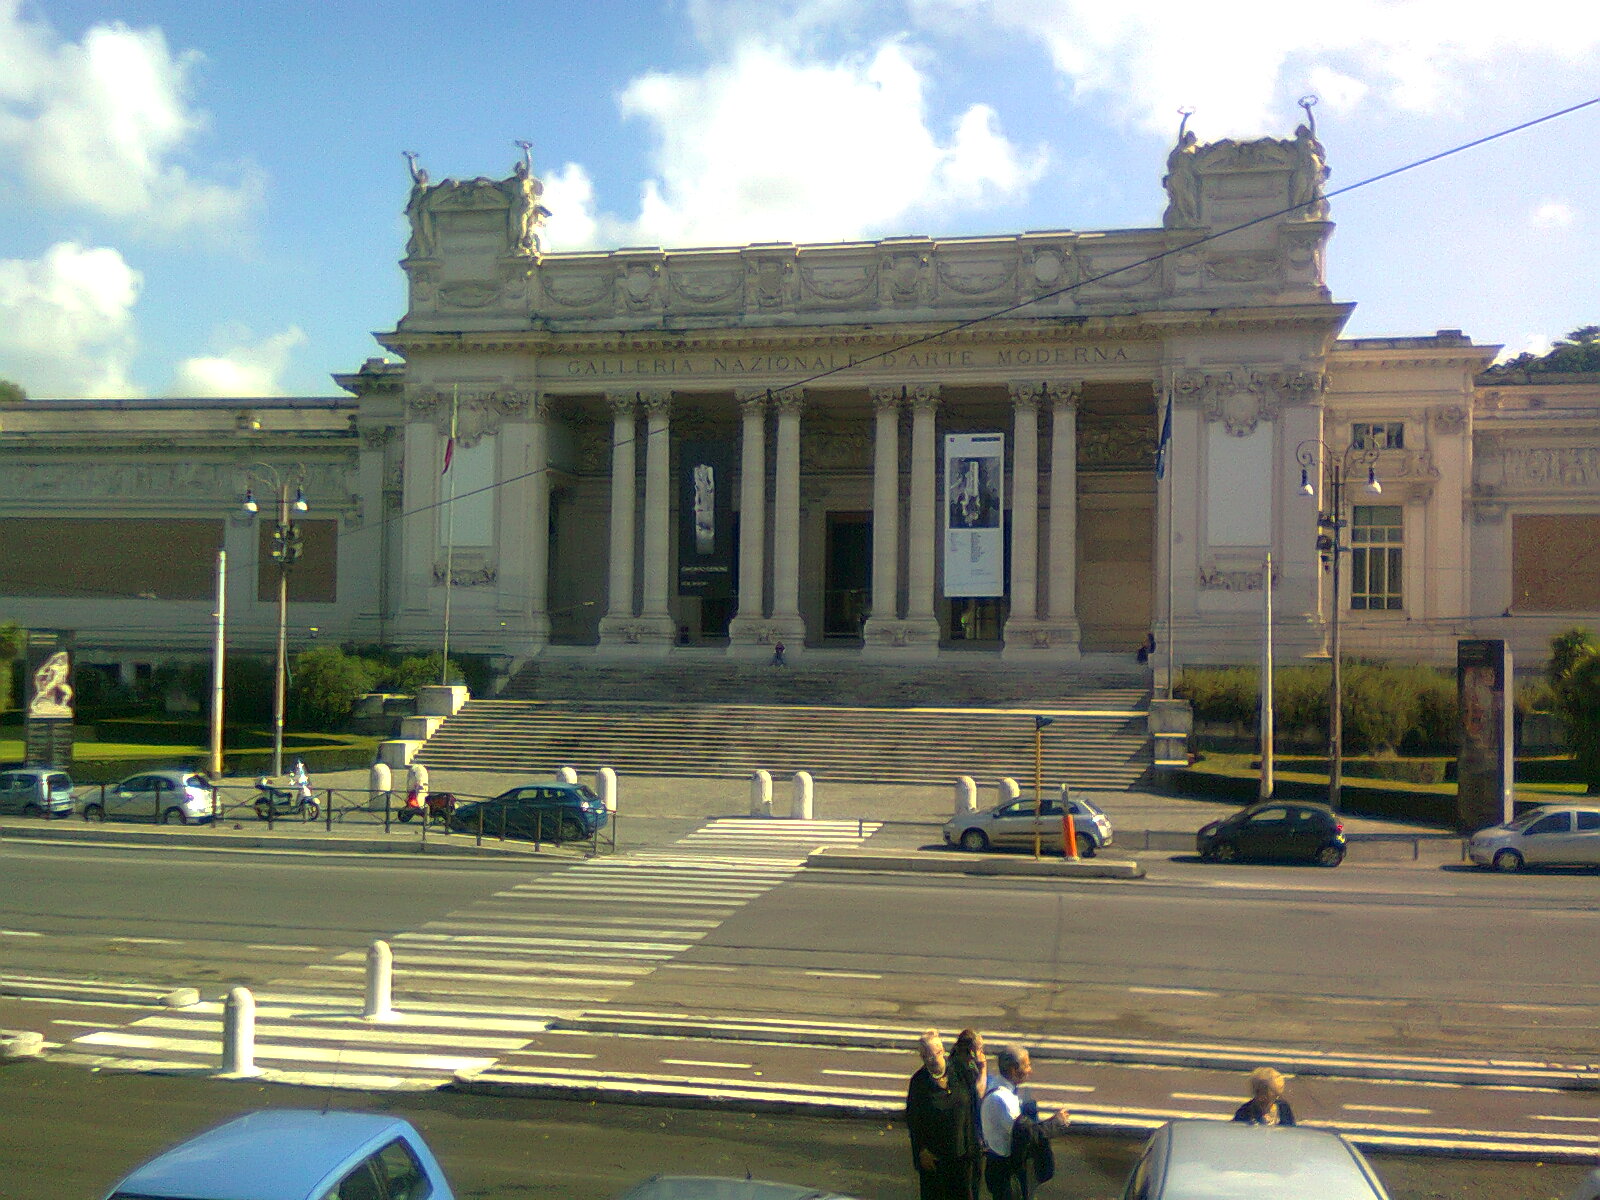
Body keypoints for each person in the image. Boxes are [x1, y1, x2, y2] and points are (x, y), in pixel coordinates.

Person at [980, 1045, 1065, 1200]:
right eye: (1026, 1065)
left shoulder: (1005, 1092)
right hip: (1006, 1173)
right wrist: (1055, 1123)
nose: (1030, 1070)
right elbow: (1027, 1133)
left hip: (1005, 1169)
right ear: (1013, 1070)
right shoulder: (1001, 1099)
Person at [906, 1030, 975, 1200]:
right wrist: (921, 1150)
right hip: (935, 1160)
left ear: (943, 1051)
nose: (933, 1058)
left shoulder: (959, 1071)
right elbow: (913, 1120)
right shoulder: (919, 1082)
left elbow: (975, 1100)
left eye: (936, 1053)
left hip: (962, 1156)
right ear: (922, 1057)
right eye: (927, 1055)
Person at [947, 1029, 988, 1200]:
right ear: (973, 1049)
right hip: (969, 1137)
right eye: (981, 1048)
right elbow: (978, 1091)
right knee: (970, 1185)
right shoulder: (968, 1065)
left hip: (961, 1133)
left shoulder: (954, 1060)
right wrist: (983, 1067)